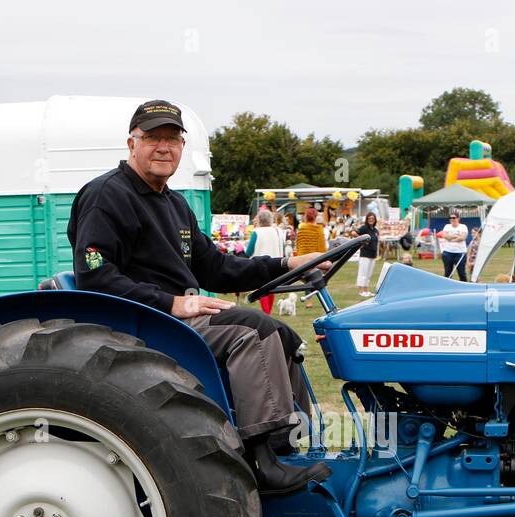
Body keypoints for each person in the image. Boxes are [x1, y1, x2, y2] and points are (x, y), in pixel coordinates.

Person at [66, 100, 331, 494]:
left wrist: (288, 263)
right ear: (131, 143)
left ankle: (285, 444)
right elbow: (95, 275)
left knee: (282, 333)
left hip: (176, 317)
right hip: (143, 323)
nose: (163, 147)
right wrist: (172, 302)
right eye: (153, 138)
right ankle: (261, 464)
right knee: (253, 332)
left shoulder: (174, 204)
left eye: (172, 139)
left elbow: (217, 268)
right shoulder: (107, 195)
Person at [245, 208, 287, 314]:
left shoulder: (256, 232)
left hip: (260, 263)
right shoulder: (278, 230)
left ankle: (266, 312)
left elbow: (249, 251)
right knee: (271, 288)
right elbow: (282, 246)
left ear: (259, 219)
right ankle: (269, 311)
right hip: (276, 262)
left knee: (262, 288)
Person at [292, 207, 327, 308]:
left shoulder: (301, 228)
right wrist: (324, 257)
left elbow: (298, 243)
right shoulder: (318, 229)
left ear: (306, 216)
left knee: (307, 280)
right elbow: (322, 245)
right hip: (316, 257)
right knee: (319, 280)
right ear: (316, 216)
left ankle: (309, 301)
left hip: (303, 257)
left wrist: (298, 255)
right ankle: (323, 299)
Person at [351, 212, 380, 297]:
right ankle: (361, 290)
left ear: (375, 220)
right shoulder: (364, 228)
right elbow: (353, 233)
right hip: (365, 254)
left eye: (373, 219)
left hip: (373, 255)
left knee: (369, 274)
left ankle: (366, 290)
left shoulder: (375, 230)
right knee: (363, 273)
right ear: (367, 220)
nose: (371, 220)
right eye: (369, 219)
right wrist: (361, 242)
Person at [438, 212, 469, 280]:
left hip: (460, 252)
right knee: (447, 273)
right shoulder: (447, 226)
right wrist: (455, 236)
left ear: (458, 218)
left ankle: (465, 287)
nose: (452, 219)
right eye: (450, 218)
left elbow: (462, 238)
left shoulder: (463, 227)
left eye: (454, 217)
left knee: (461, 272)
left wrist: (450, 238)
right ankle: (447, 287)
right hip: (448, 252)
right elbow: (444, 236)